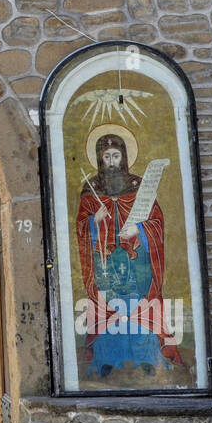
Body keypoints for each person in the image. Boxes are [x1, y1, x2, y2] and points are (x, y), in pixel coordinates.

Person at [74, 131, 180, 379]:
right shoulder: (91, 189)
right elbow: (80, 227)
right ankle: (108, 358)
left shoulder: (138, 186)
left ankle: (146, 358)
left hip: (137, 262)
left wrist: (140, 229)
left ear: (124, 157)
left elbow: (157, 221)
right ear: (100, 159)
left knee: (139, 306)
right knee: (107, 306)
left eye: (116, 155)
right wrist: (93, 220)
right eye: (107, 156)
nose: (111, 161)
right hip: (105, 263)